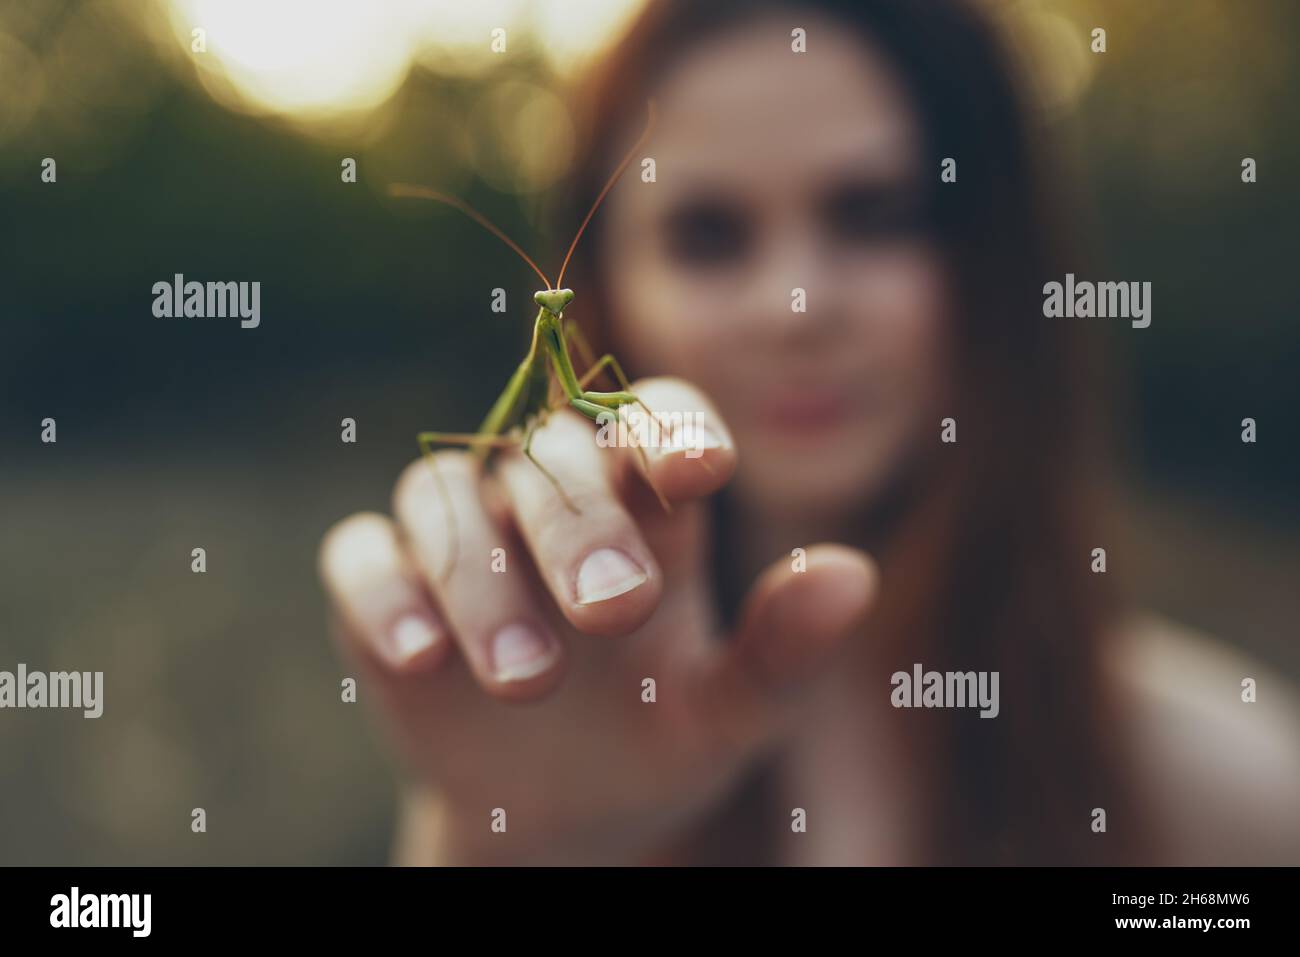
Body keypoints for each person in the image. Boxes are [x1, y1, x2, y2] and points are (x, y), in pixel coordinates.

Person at [317, 0, 1300, 865]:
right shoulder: (561, 783)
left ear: (987, 265)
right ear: (613, 294)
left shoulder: (1238, 793)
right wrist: (507, 853)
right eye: (708, 234)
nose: (797, 308)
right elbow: (534, 426)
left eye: (874, 215)